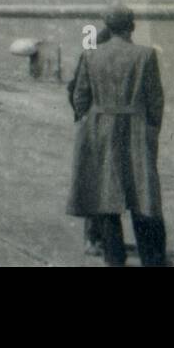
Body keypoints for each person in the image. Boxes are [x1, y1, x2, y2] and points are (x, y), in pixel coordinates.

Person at [67, 5, 168, 266]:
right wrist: (152, 129)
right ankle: (152, 259)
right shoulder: (145, 55)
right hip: (135, 127)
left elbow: (80, 98)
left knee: (106, 195)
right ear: (131, 26)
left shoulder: (91, 55)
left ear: (107, 27)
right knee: (142, 194)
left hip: (100, 128)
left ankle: (114, 257)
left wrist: (90, 121)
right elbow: (156, 100)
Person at [67, 24, 112, 257]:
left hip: (100, 127)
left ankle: (103, 238)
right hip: (97, 128)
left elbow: (74, 90)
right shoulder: (92, 58)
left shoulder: (92, 56)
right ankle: (93, 238)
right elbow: (75, 90)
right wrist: (86, 118)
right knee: (98, 185)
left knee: (104, 185)